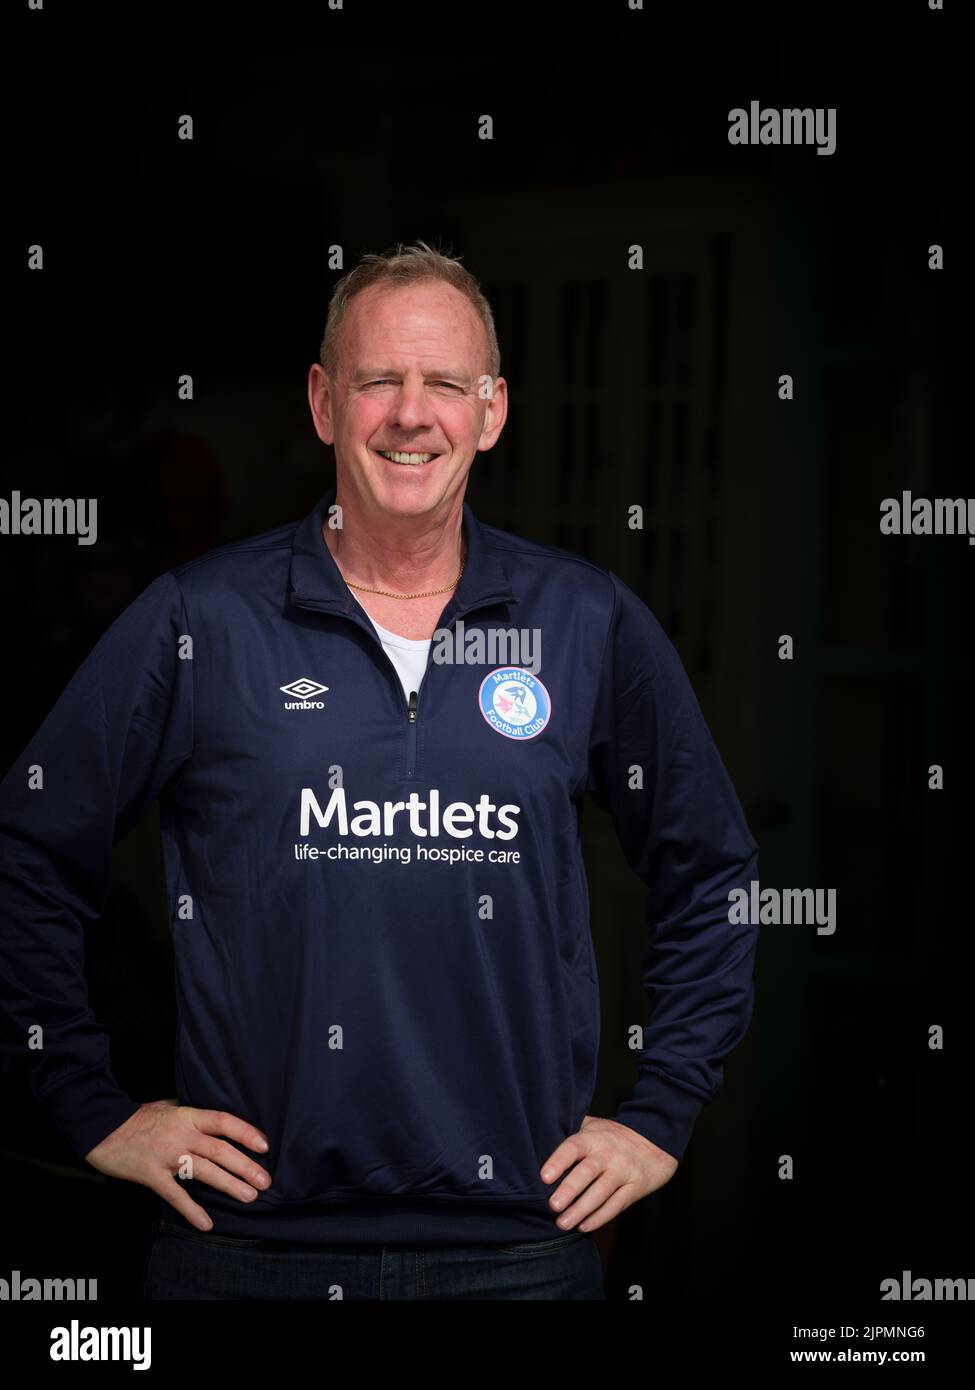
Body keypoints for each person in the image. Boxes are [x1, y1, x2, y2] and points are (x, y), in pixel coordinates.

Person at [0, 241, 760, 1301]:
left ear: (492, 411)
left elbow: (712, 872)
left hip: (519, 1258)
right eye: (378, 381)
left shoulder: (583, 622)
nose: (412, 413)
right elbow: (26, 845)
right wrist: (89, 1105)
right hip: (244, 1255)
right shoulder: (199, 620)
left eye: (446, 382)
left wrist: (661, 1115)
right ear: (323, 403)